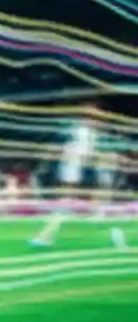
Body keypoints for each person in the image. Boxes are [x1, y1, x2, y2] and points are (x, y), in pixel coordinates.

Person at [30, 106, 126, 249]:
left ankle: (45, 237)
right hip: (80, 174)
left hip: (82, 175)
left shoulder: (86, 135)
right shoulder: (82, 134)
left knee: (71, 206)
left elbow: (84, 157)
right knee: (89, 210)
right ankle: (115, 233)